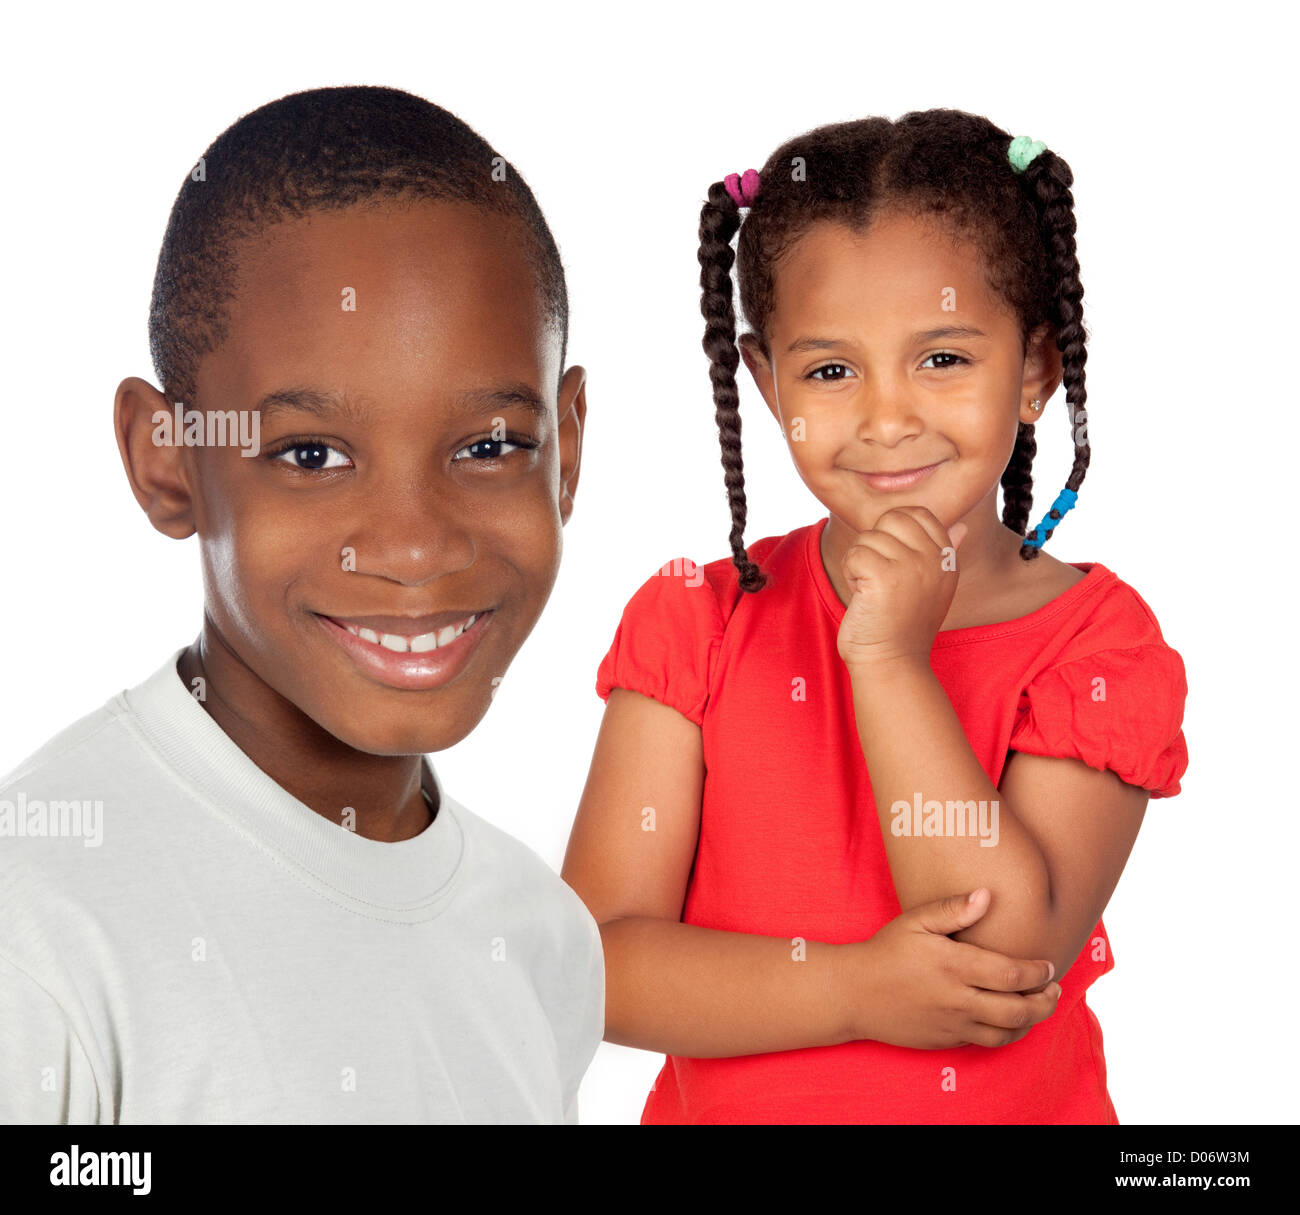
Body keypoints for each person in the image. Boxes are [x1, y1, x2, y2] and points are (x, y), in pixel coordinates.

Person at [563, 109, 1187, 1123]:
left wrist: (890, 664)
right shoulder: (697, 621)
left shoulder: (1096, 648)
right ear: (766, 385)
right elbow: (591, 963)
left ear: (1033, 372)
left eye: (942, 359)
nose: (887, 418)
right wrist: (856, 989)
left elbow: (1000, 961)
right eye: (829, 371)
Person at [0, 85, 602, 1124]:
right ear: (168, 460)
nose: (413, 545)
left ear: (569, 448)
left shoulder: (540, 940)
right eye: (310, 455)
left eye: (489, 445)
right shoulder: (40, 921)